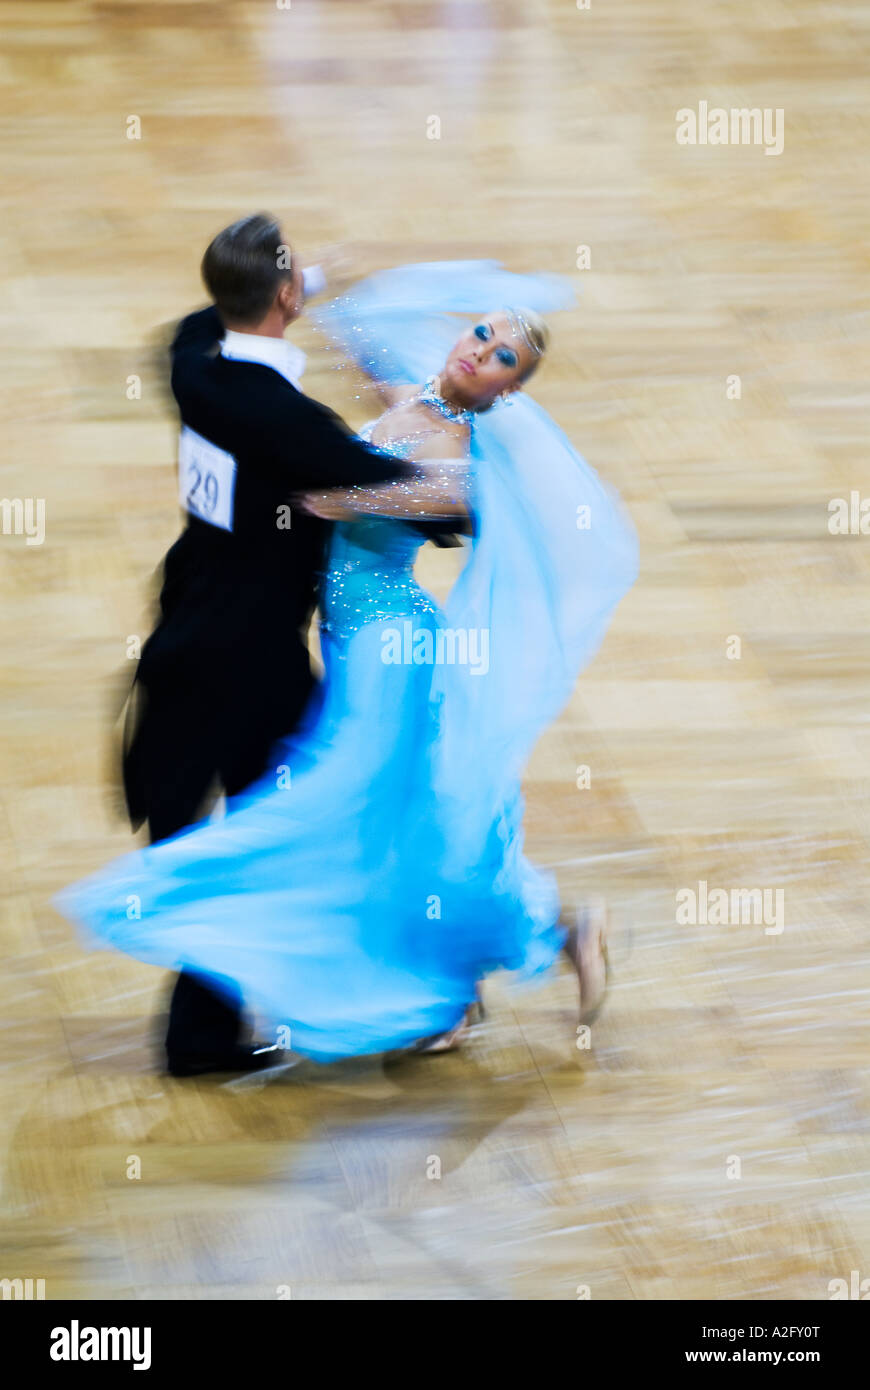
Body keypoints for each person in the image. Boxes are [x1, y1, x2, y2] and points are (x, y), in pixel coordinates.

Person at [59, 260, 638, 1068]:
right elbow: (355, 335)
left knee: (342, 798)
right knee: (405, 821)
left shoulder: (456, 472)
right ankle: (498, 966)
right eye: (480, 332)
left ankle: (518, 945)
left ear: (510, 392)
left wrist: (273, 448)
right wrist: (305, 287)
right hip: (350, 637)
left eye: (503, 357)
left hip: (387, 651)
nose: (479, 352)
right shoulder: (411, 403)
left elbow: (328, 498)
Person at [121, 214, 412, 1076]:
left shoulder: (192, 361)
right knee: (292, 823)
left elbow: (205, 318)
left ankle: (208, 1028)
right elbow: (407, 491)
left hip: (184, 636)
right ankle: (249, 1023)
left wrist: (302, 284)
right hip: (251, 664)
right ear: (282, 296)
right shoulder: (291, 423)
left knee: (218, 833)